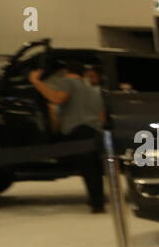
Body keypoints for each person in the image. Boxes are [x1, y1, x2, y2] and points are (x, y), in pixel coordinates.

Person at [28, 59, 106, 212]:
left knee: (87, 169)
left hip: (77, 130)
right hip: (93, 130)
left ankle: (97, 204)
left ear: (66, 72)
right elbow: (101, 115)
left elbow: (57, 98)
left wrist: (36, 82)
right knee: (94, 169)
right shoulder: (91, 87)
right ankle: (97, 200)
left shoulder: (68, 81)